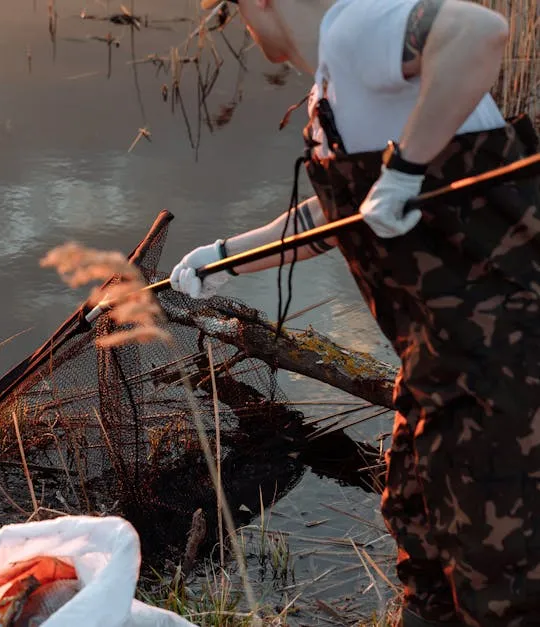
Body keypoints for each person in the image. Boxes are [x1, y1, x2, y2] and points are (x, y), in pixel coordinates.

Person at [170, 0, 540, 625]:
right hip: (441, 360)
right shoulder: (332, 87)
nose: (244, 28)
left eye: (235, 9)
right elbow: (333, 219)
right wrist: (223, 259)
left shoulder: (354, 26)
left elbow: (481, 31)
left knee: (500, 583)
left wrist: (406, 170)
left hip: (507, 363)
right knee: (418, 533)